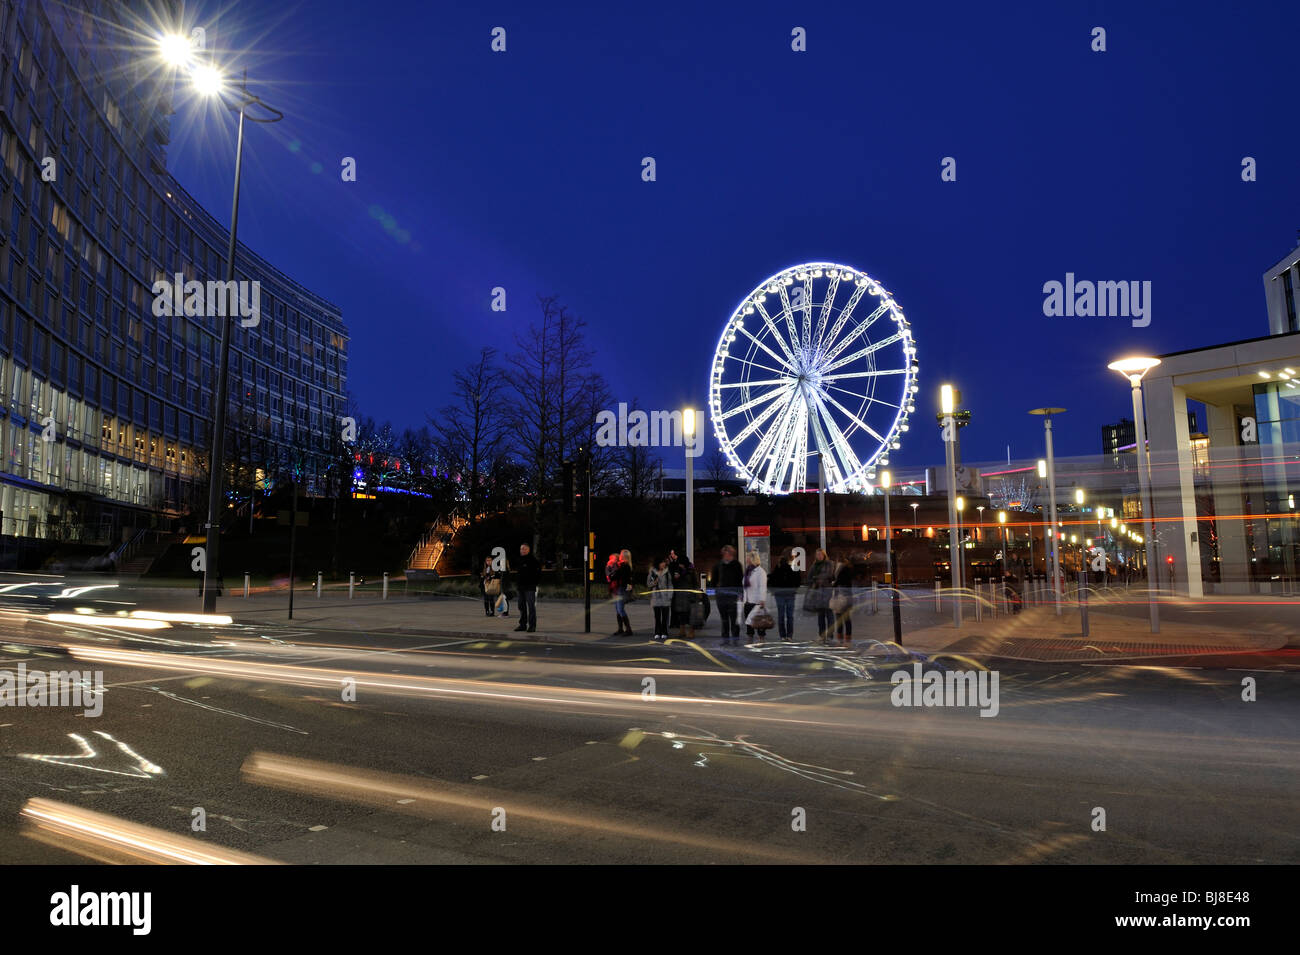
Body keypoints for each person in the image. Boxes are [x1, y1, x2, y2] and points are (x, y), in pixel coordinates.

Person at [714, 544, 743, 646]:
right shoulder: (718, 565)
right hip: (722, 596)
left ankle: (735, 638)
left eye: (728, 554)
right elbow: (714, 580)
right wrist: (717, 591)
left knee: (734, 618)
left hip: (733, 596)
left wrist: (740, 594)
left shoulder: (737, 565)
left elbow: (740, 580)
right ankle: (725, 638)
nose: (726, 556)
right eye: (725, 554)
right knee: (724, 619)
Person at [805, 548, 835, 645]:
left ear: (824, 555)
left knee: (829, 615)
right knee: (820, 616)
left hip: (827, 592)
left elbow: (829, 575)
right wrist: (816, 579)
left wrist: (816, 578)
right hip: (818, 594)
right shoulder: (814, 566)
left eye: (820, 554)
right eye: (817, 555)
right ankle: (822, 636)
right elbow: (809, 578)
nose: (819, 556)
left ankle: (830, 636)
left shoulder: (829, 563)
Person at [769, 553, 800, 642]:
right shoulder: (793, 568)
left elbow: (772, 579)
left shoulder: (777, 568)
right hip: (790, 594)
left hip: (779, 594)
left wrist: (774, 591)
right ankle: (789, 635)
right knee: (790, 616)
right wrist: (794, 589)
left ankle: (782, 635)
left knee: (781, 615)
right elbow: (798, 579)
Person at [742, 551, 769, 643]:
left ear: (753, 559)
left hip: (756, 601)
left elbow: (762, 587)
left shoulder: (761, 572)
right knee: (748, 621)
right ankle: (750, 636)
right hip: (748, 600)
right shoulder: (748, 571)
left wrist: (762, 600)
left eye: (748, 558)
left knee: (759, 621)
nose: (746, 559)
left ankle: (761, 637)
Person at [514, 542, 541, 633]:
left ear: (528, 550)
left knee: (531, 607)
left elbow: (538, 573)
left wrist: (534, 583)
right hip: (520, 587)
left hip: (530, 587)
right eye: (521, 548)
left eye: (524, 549)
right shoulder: (519, 559)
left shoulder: (533, 560)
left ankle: (532, 626)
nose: (522, 550)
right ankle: (522, 625)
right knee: (521, 606)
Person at [831, 555, 855, 646]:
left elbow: (839, 582)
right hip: (843, 596)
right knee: (844, 618)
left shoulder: (843, 570)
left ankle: (843, 639)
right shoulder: (845, 569)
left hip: (843, 596)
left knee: (842, 618)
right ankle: (845, 639)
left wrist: (834, 583)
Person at [647, 557, 673, 641]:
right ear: (658, 563)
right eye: (662, 563)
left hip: (665, 597)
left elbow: (670, 585)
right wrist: (654, 583)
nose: (663, 564)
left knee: (665, 616)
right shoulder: (652, 572)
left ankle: (664, 632)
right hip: (656, 597)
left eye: (664, 563)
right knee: (657, 616)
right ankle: (657, 632)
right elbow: (648, 584)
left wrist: (669, 595)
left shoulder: (667, 572)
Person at [611, 549, 634, 636]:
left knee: (620, 609)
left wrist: (628, 592)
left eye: (620, 554)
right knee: (618, 609)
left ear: (624, 556)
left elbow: (616, 576)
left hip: (622, 589)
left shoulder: (625, 566)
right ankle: (620, 628)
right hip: (620, 589)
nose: (619, 556)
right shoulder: (624, 566)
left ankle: (628, 629)